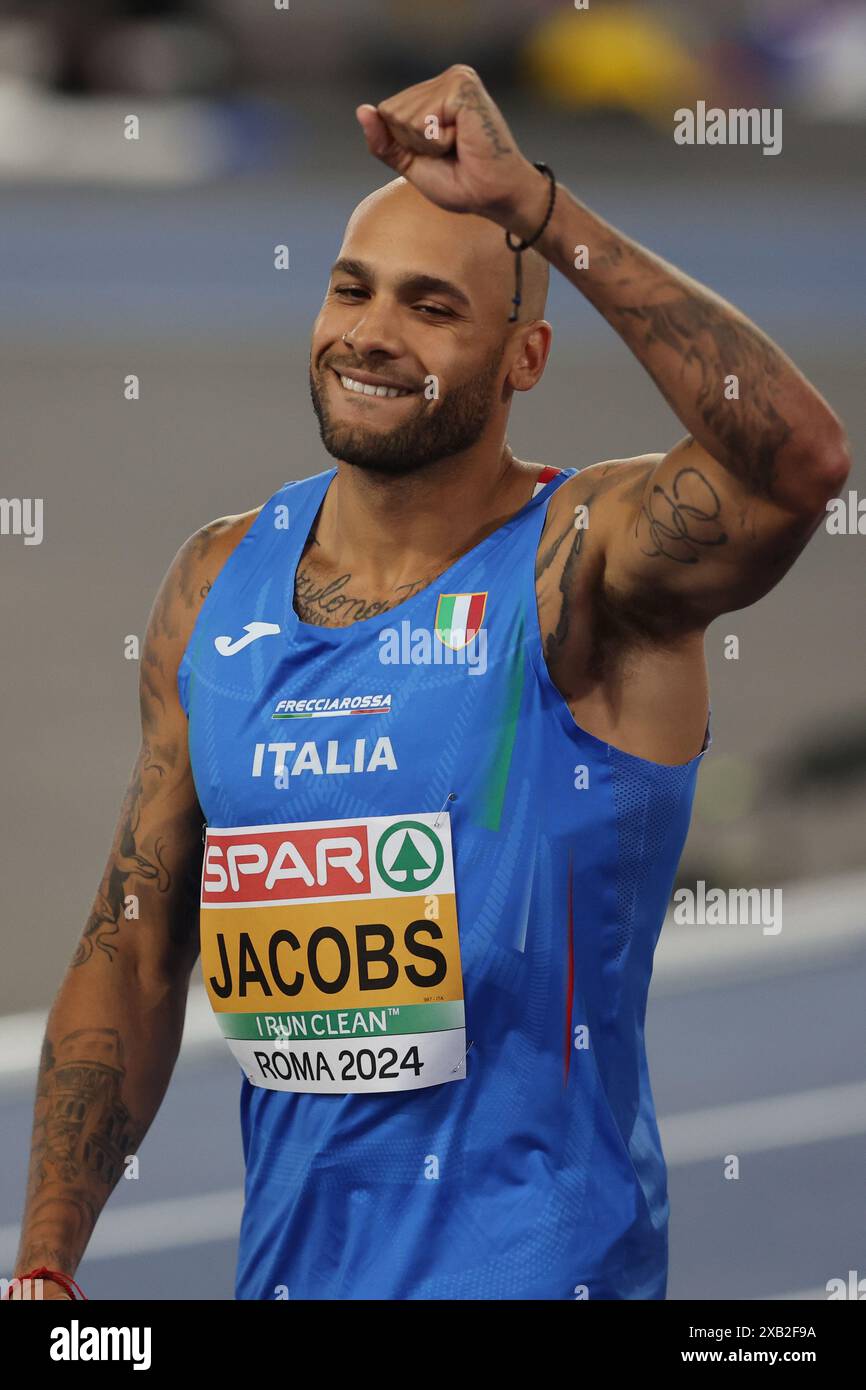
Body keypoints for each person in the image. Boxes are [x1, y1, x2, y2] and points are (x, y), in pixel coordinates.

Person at [9, 66, 849, 1302]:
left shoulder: (586, 569)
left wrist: (541, 208)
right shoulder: (215, 582)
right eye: (350, 289)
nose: (371, 334)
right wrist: (46, 1259)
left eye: (431, 307)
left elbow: (796, 466)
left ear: (524, 358)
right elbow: (133, 947)